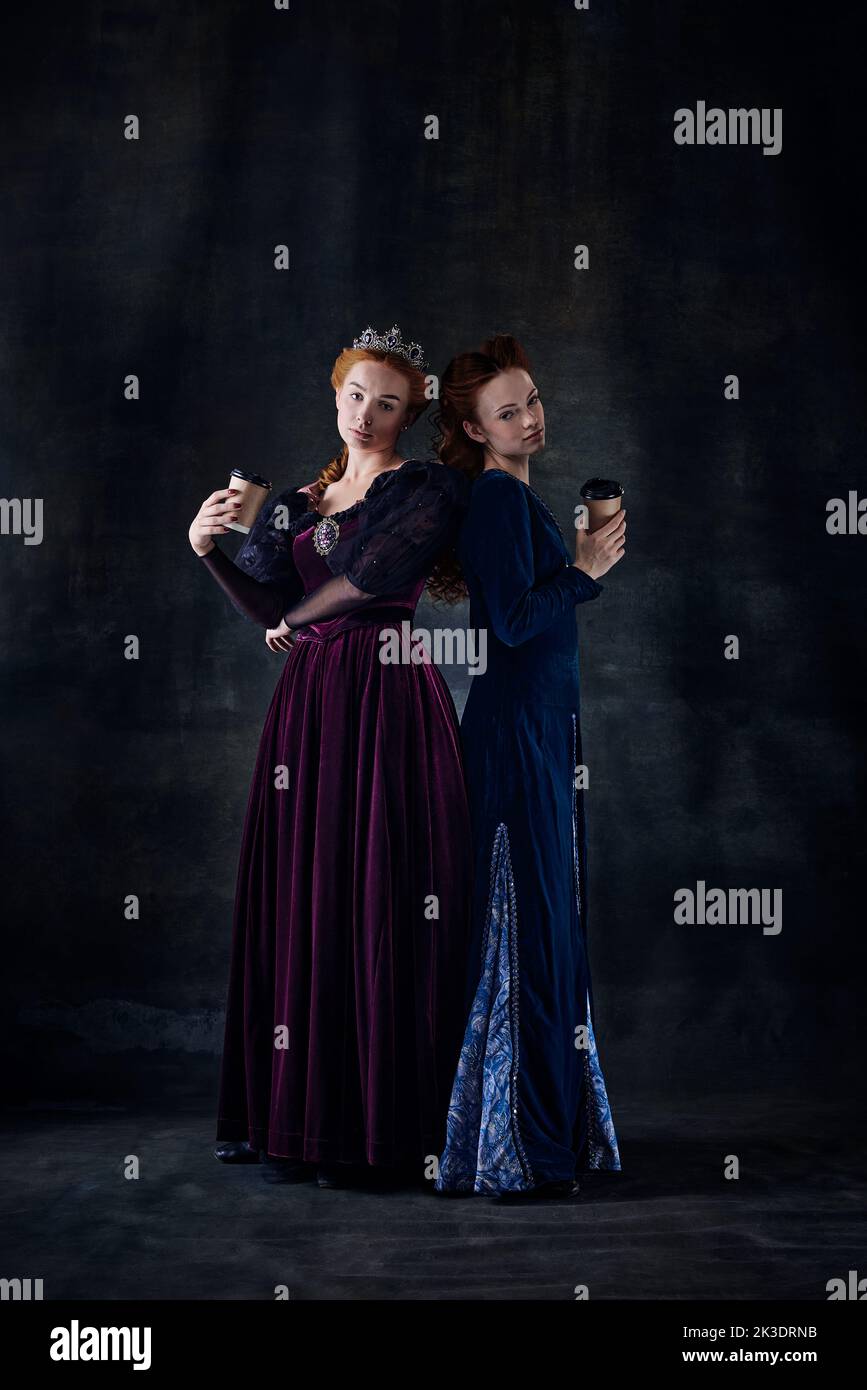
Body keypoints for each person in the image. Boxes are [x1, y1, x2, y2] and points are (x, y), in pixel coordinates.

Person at [188, 325, 473, 1189]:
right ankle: (304, 1120)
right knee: (310, 891)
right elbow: (271, 602)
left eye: (388, 402)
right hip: (309, 708)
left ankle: (388, 1128)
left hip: (385, 691)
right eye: (356, 394)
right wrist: (208, 552)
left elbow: (374, 578)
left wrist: (295, 619)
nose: (367, 413)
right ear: (335, 393)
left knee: (383, 888)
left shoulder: (423, 487)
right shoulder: (298, 499)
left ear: (410, 413)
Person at [433, 333, 624, 1200]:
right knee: (527, 921)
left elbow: (524, 610)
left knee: (545, 920)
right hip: (515, 735)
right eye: (507, 411)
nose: (530, 417)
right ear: (474, 429)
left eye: (533, 399)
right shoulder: (496, 502)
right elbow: (506, 626)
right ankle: (517, 1143)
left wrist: (576, 558)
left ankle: (535, 1135)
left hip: (538, 728)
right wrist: (582, 571)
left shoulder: (514, 498)